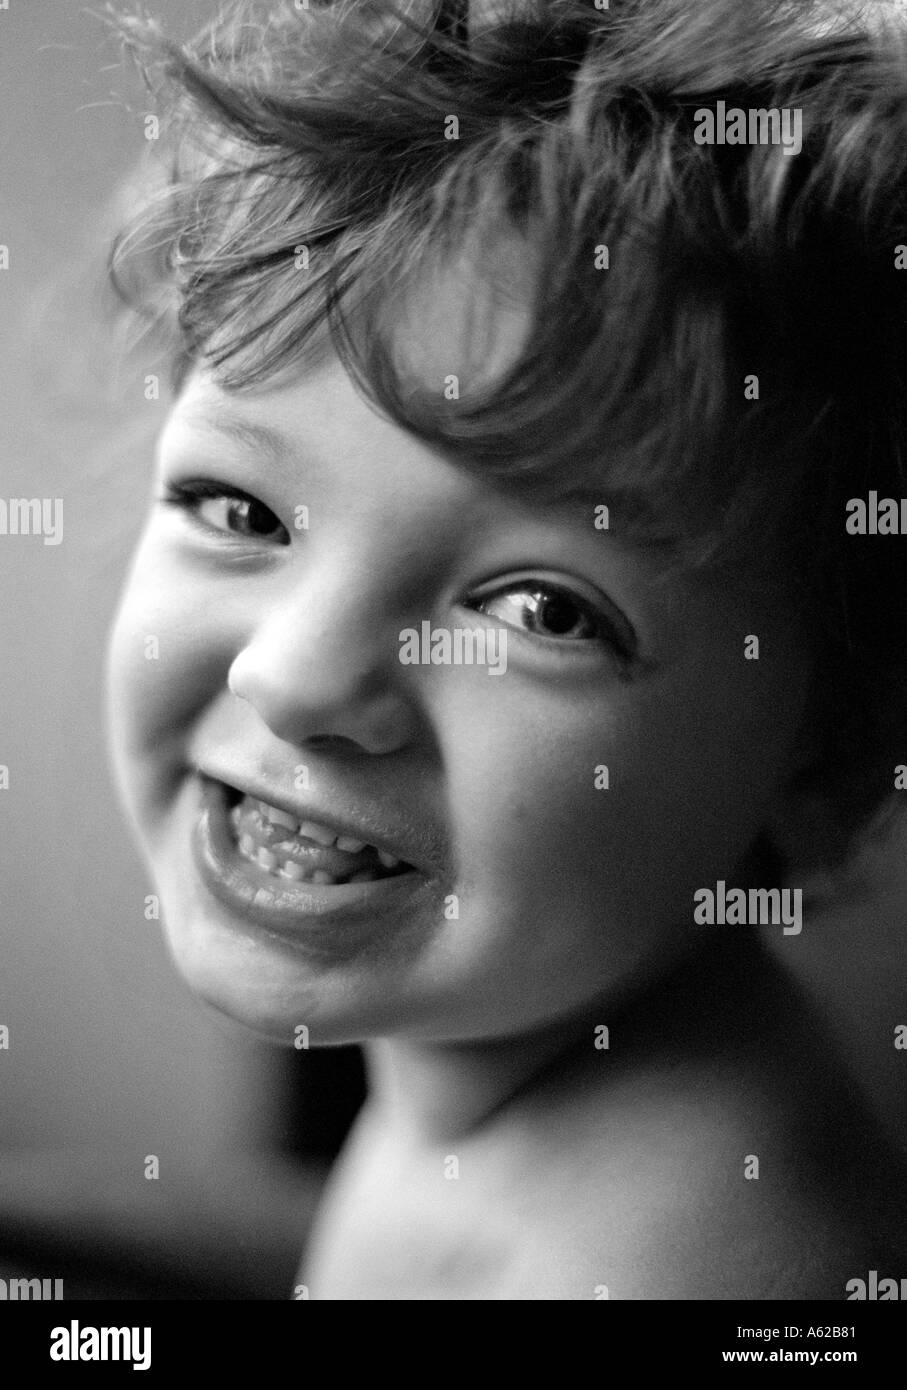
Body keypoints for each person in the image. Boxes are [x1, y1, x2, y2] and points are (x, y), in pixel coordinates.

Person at [104, 0, 907, 1298]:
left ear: (831, 761)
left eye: (542, 611)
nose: (295, 676)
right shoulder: (500, 1063)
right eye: (239, 509)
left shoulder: (681, 1259)